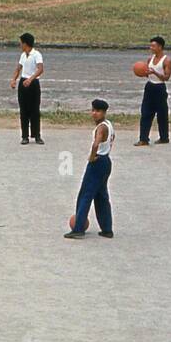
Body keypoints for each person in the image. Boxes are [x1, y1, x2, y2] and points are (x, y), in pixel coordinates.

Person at [64, 100, 115, 240]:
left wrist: (92, 157)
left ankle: (78, 227)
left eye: (97, 111)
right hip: (106, 161)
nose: (94, 113)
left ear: (104, 112)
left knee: (85, 195)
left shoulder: (101, 128)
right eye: (93, 110)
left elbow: (96, 144)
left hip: (98, 162)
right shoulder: (109, 125)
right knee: (101, 196)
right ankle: (107, 229)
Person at [136, 35, 171, 146]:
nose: (151, 48)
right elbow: (147, 74)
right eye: (150, 46)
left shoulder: (167, 60)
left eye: (153, 46)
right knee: (145, 112)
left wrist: (155, 72)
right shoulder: (150, 59)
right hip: (150, 87)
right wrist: (143, 73)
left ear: (160, 47)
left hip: (160, 88)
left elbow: (166, 77)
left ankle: (164, 137)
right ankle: (143, 139)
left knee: (162, 114)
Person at [11, 32, 44, 144]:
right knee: (23, 110)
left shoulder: (37, 54)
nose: (20, 45)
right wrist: (14, 80)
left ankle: (37, 135)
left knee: (35, 110)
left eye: (21, 43)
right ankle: (25, 136)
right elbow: (18, 68)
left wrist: (30, 79)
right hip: (23, 83)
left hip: (33, 83)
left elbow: (40, 69)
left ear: (26, 43)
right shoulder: (22, 55)